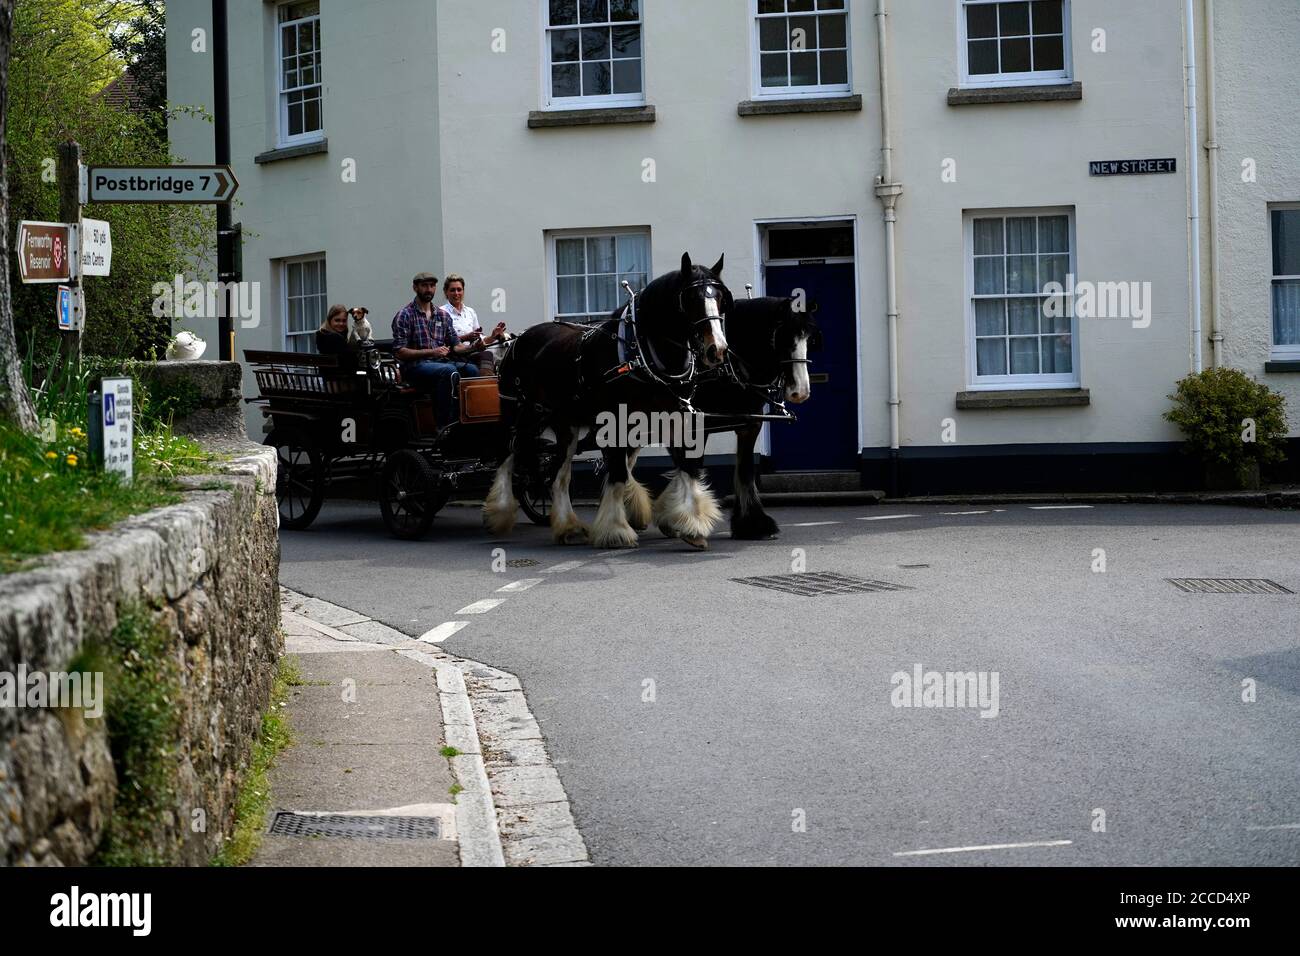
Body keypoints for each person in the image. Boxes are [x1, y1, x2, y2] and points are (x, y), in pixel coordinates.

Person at [391, 272, 479, 428]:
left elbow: (457, 346)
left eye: (432, 286)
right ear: (415, 287)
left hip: (439, 363)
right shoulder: (405, 315)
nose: (428, 289)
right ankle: (445, 426)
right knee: (449, 371)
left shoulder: (442, 316)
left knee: (472, 370)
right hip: (414, 367)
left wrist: (475, 347)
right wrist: (432, 352)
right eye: (424, 285)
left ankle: (471, 422)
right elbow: (400, 352)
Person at [443, 273, 507, 373]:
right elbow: (442, 341)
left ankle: (487, 384)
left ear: (463, 291)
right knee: (487, 354)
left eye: (459, 289)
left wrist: (493, 336)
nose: (456, 293)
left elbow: (480, 339)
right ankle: (485, 386)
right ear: (446, 292)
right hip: (454, 353)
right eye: (452, 290)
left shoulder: (470, 312)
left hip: (471, 350)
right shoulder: (442, 312)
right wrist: (466, 337)